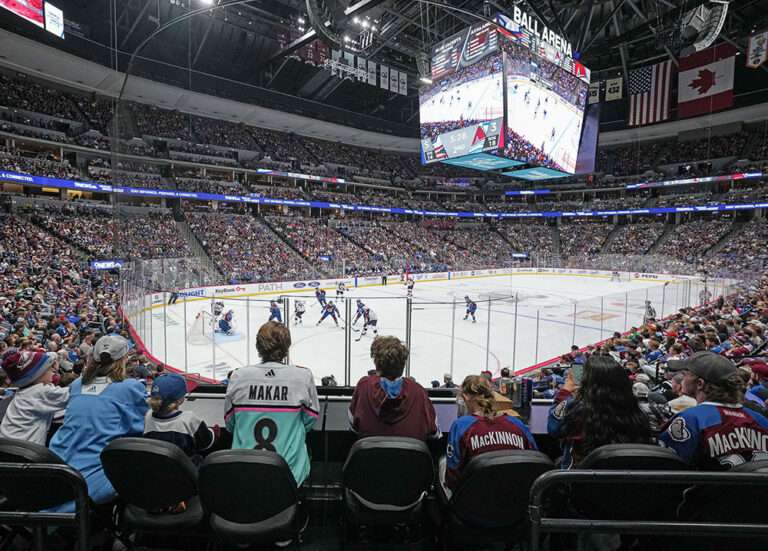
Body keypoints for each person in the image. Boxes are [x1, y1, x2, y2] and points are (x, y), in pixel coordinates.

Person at [48, 335, 147, 511]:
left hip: (57, 466)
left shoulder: (78, 384)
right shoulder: (130, 387)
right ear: (124, 358)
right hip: (91, 476)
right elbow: (139, 427)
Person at [225, 322, 318, 486]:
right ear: (287, 347)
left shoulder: (238, 376)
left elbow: (231, 425)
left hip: (243, 471)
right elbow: (309, 422)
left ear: (258, 346)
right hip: (289, 475)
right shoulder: (303, 376)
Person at [660, 351, 768, 470]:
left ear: (700, 383)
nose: (682, 379)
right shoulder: (760, 420)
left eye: (685, 374)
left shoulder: (691, 419)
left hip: (711, 488)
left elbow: (668, 468)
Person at [548, 355, 651, 468]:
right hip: (624, 478)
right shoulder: (637, 413)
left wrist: (565, 391)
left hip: (579, 479)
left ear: (587, 383)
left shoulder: (576, 410)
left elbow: (553, 428)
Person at [443, 375, 537, 494]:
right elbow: (534, 461)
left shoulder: (461, 426)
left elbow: (452, 476)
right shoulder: (517, 424)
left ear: (465, 396)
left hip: (474, 503)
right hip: (514, 501)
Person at [349, 336, 437, 440]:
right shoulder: (419, 392)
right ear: (403, 363)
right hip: (409, 456)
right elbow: (434, 433)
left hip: (370, 455)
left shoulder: (364, 386)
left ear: (376, 364)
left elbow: (354, 426)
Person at [0, 349, 69, 446]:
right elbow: (74, 394)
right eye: (49, 368)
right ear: (37, 375)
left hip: (7, 447)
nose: (53, 371)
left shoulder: (26, 391)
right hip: (24, 452)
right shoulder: (39, 392)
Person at [144, 373, 217, 463]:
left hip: (158, 468)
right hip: (187, 471)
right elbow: (206, 443)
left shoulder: (148, 416)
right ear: (179, 400)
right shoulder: (188, 419)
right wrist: (214, 432)